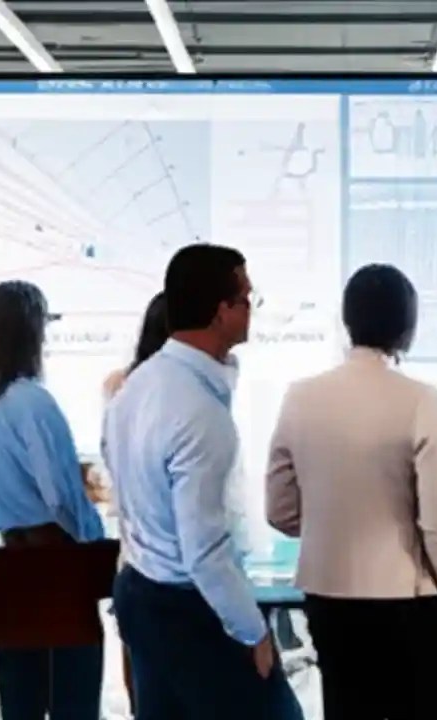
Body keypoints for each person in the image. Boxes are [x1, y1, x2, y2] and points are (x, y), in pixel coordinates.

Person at [105, 244, 302, 720]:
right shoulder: (198, 412)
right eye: (246, 299)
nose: (251, 309)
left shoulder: (138, 385)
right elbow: (204, 551)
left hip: (142, 590)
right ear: (221, 313)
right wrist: (253, 632)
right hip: (190, 610)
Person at [266, 263, 437, 720]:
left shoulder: (300, 396)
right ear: (407, 326)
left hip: (329, 598)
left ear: (347, 319)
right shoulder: (421, 400)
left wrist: (328, 521)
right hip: (409, 603)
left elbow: (279, 509)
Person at [0, 280, 105, 720]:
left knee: (19, 707)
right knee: (73, 707)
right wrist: (96, 541)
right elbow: (60, 498)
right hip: (57, 569)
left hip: (11, 566)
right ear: (30, 332)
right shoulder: (33, 402)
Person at [99, 290, 169, 714]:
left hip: (133, 558)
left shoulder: (119, 387)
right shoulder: (188, 393)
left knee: (143, 689)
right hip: (168, 569)